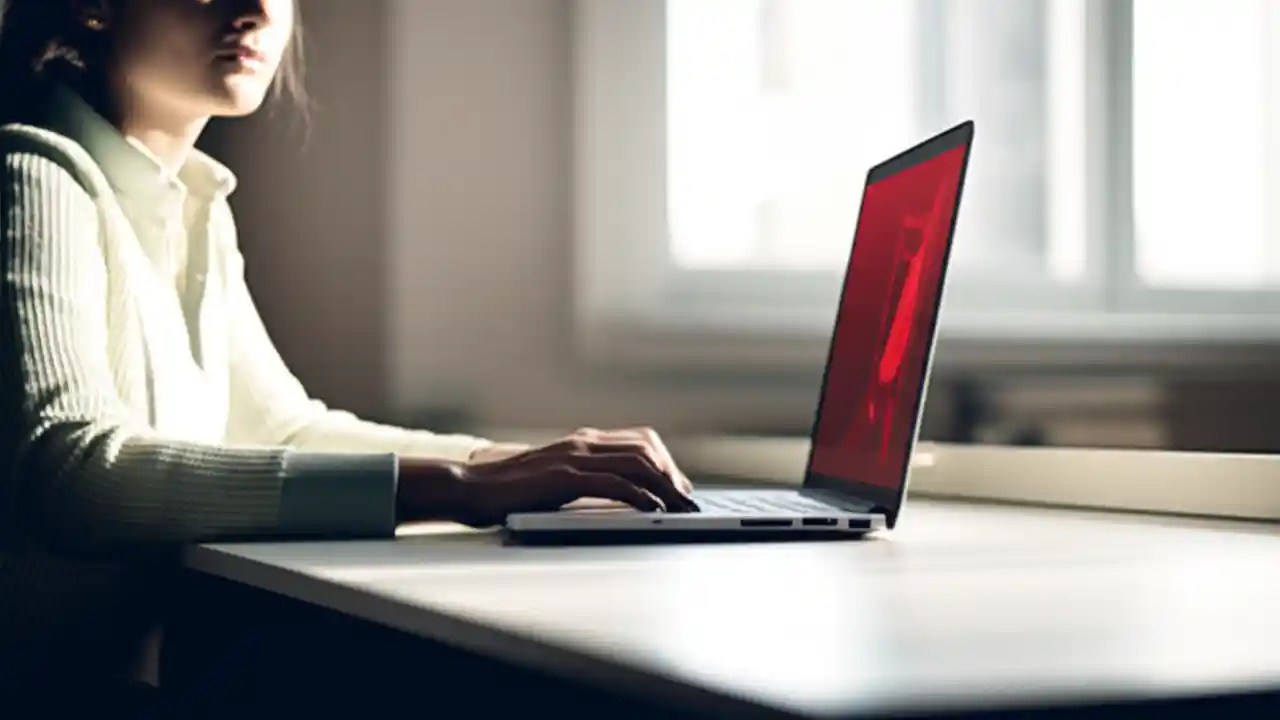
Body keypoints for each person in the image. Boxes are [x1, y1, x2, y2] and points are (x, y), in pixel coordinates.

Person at [0, 0, 697, 712]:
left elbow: (282, 429)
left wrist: (517, 465)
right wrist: (461, 486)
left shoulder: (194, 205)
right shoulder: (28, 172)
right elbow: (71, 472)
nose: (258, 9)